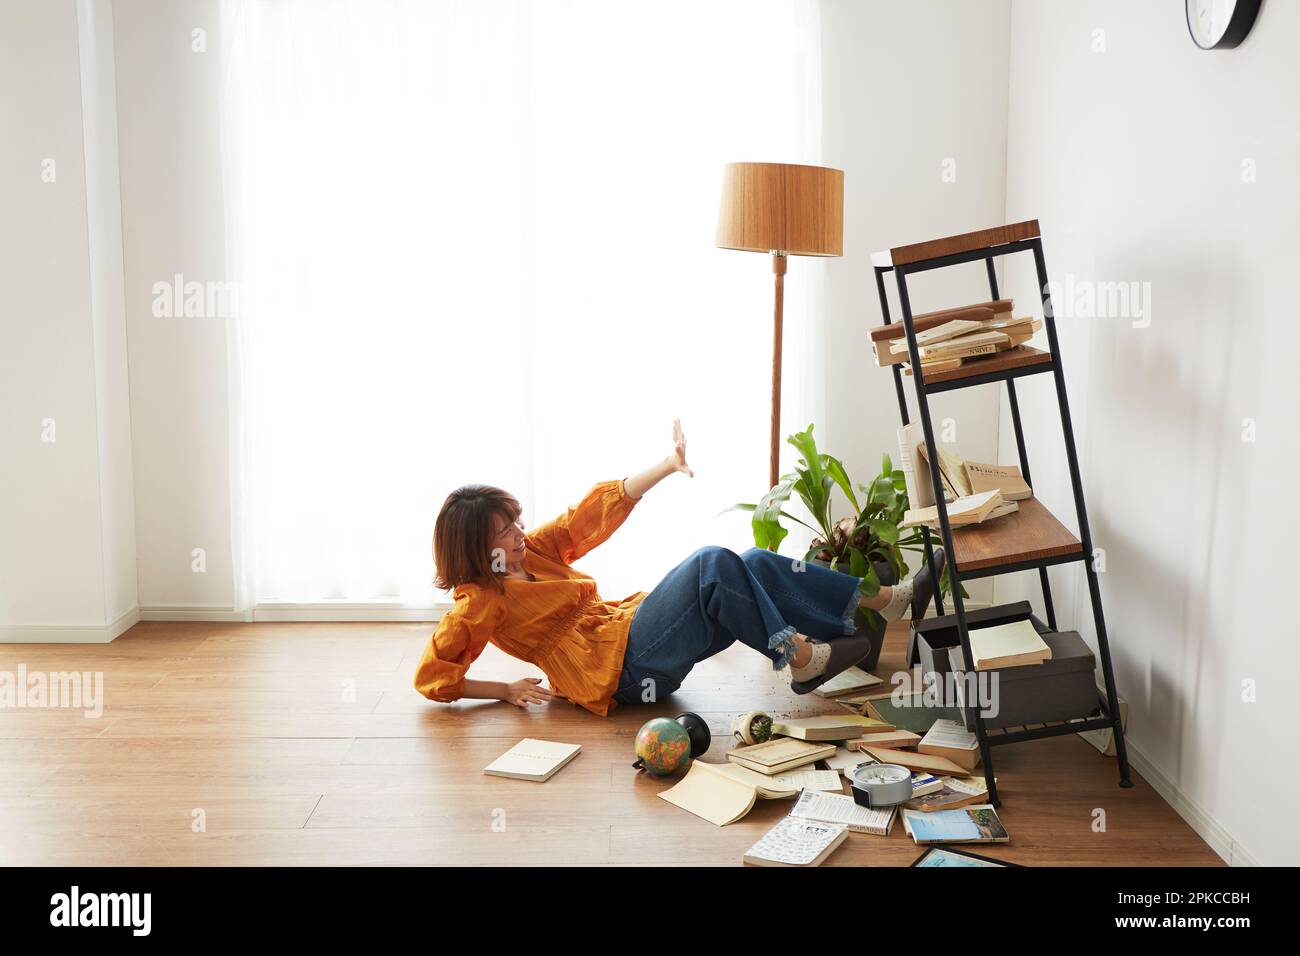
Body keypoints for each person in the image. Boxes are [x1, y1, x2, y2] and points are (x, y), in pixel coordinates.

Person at [414, 420, 944, 715]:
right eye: (507, 531)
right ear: (480, 549)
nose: (521, 534)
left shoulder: (537, 554)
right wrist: (505, 691)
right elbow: (434, 679)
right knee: (711, 562)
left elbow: (589, 516)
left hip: (636, 640)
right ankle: (801, 656)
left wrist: (668, 466)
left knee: (752, 560)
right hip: (619, 675)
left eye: (517, 522)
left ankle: (889, 601)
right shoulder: (478, 603)